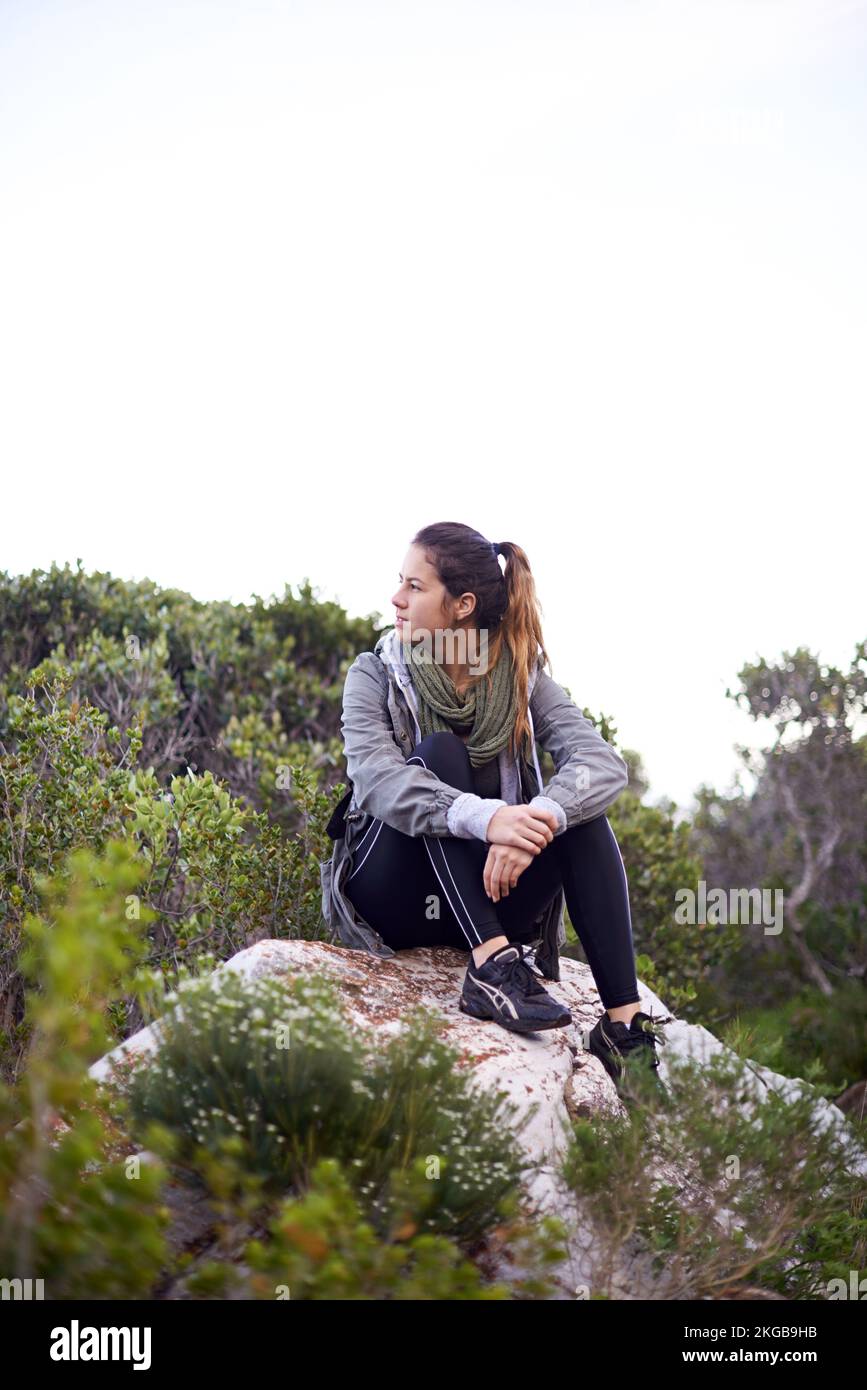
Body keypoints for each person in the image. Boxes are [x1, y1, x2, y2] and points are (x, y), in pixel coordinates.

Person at [325, 521, 665, 1091]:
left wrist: (539, 820)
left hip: (488, 889)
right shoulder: (376, 672)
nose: (396, 599)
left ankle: (623, 1032)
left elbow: (601, 764)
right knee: (437, 754)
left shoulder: (522, 678)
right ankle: (490, 968)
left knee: (580, 815)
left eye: (415, 586)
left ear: (462, 606)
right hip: (395, 892)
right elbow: (377, 780)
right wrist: (490, 819)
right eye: (399, 583)